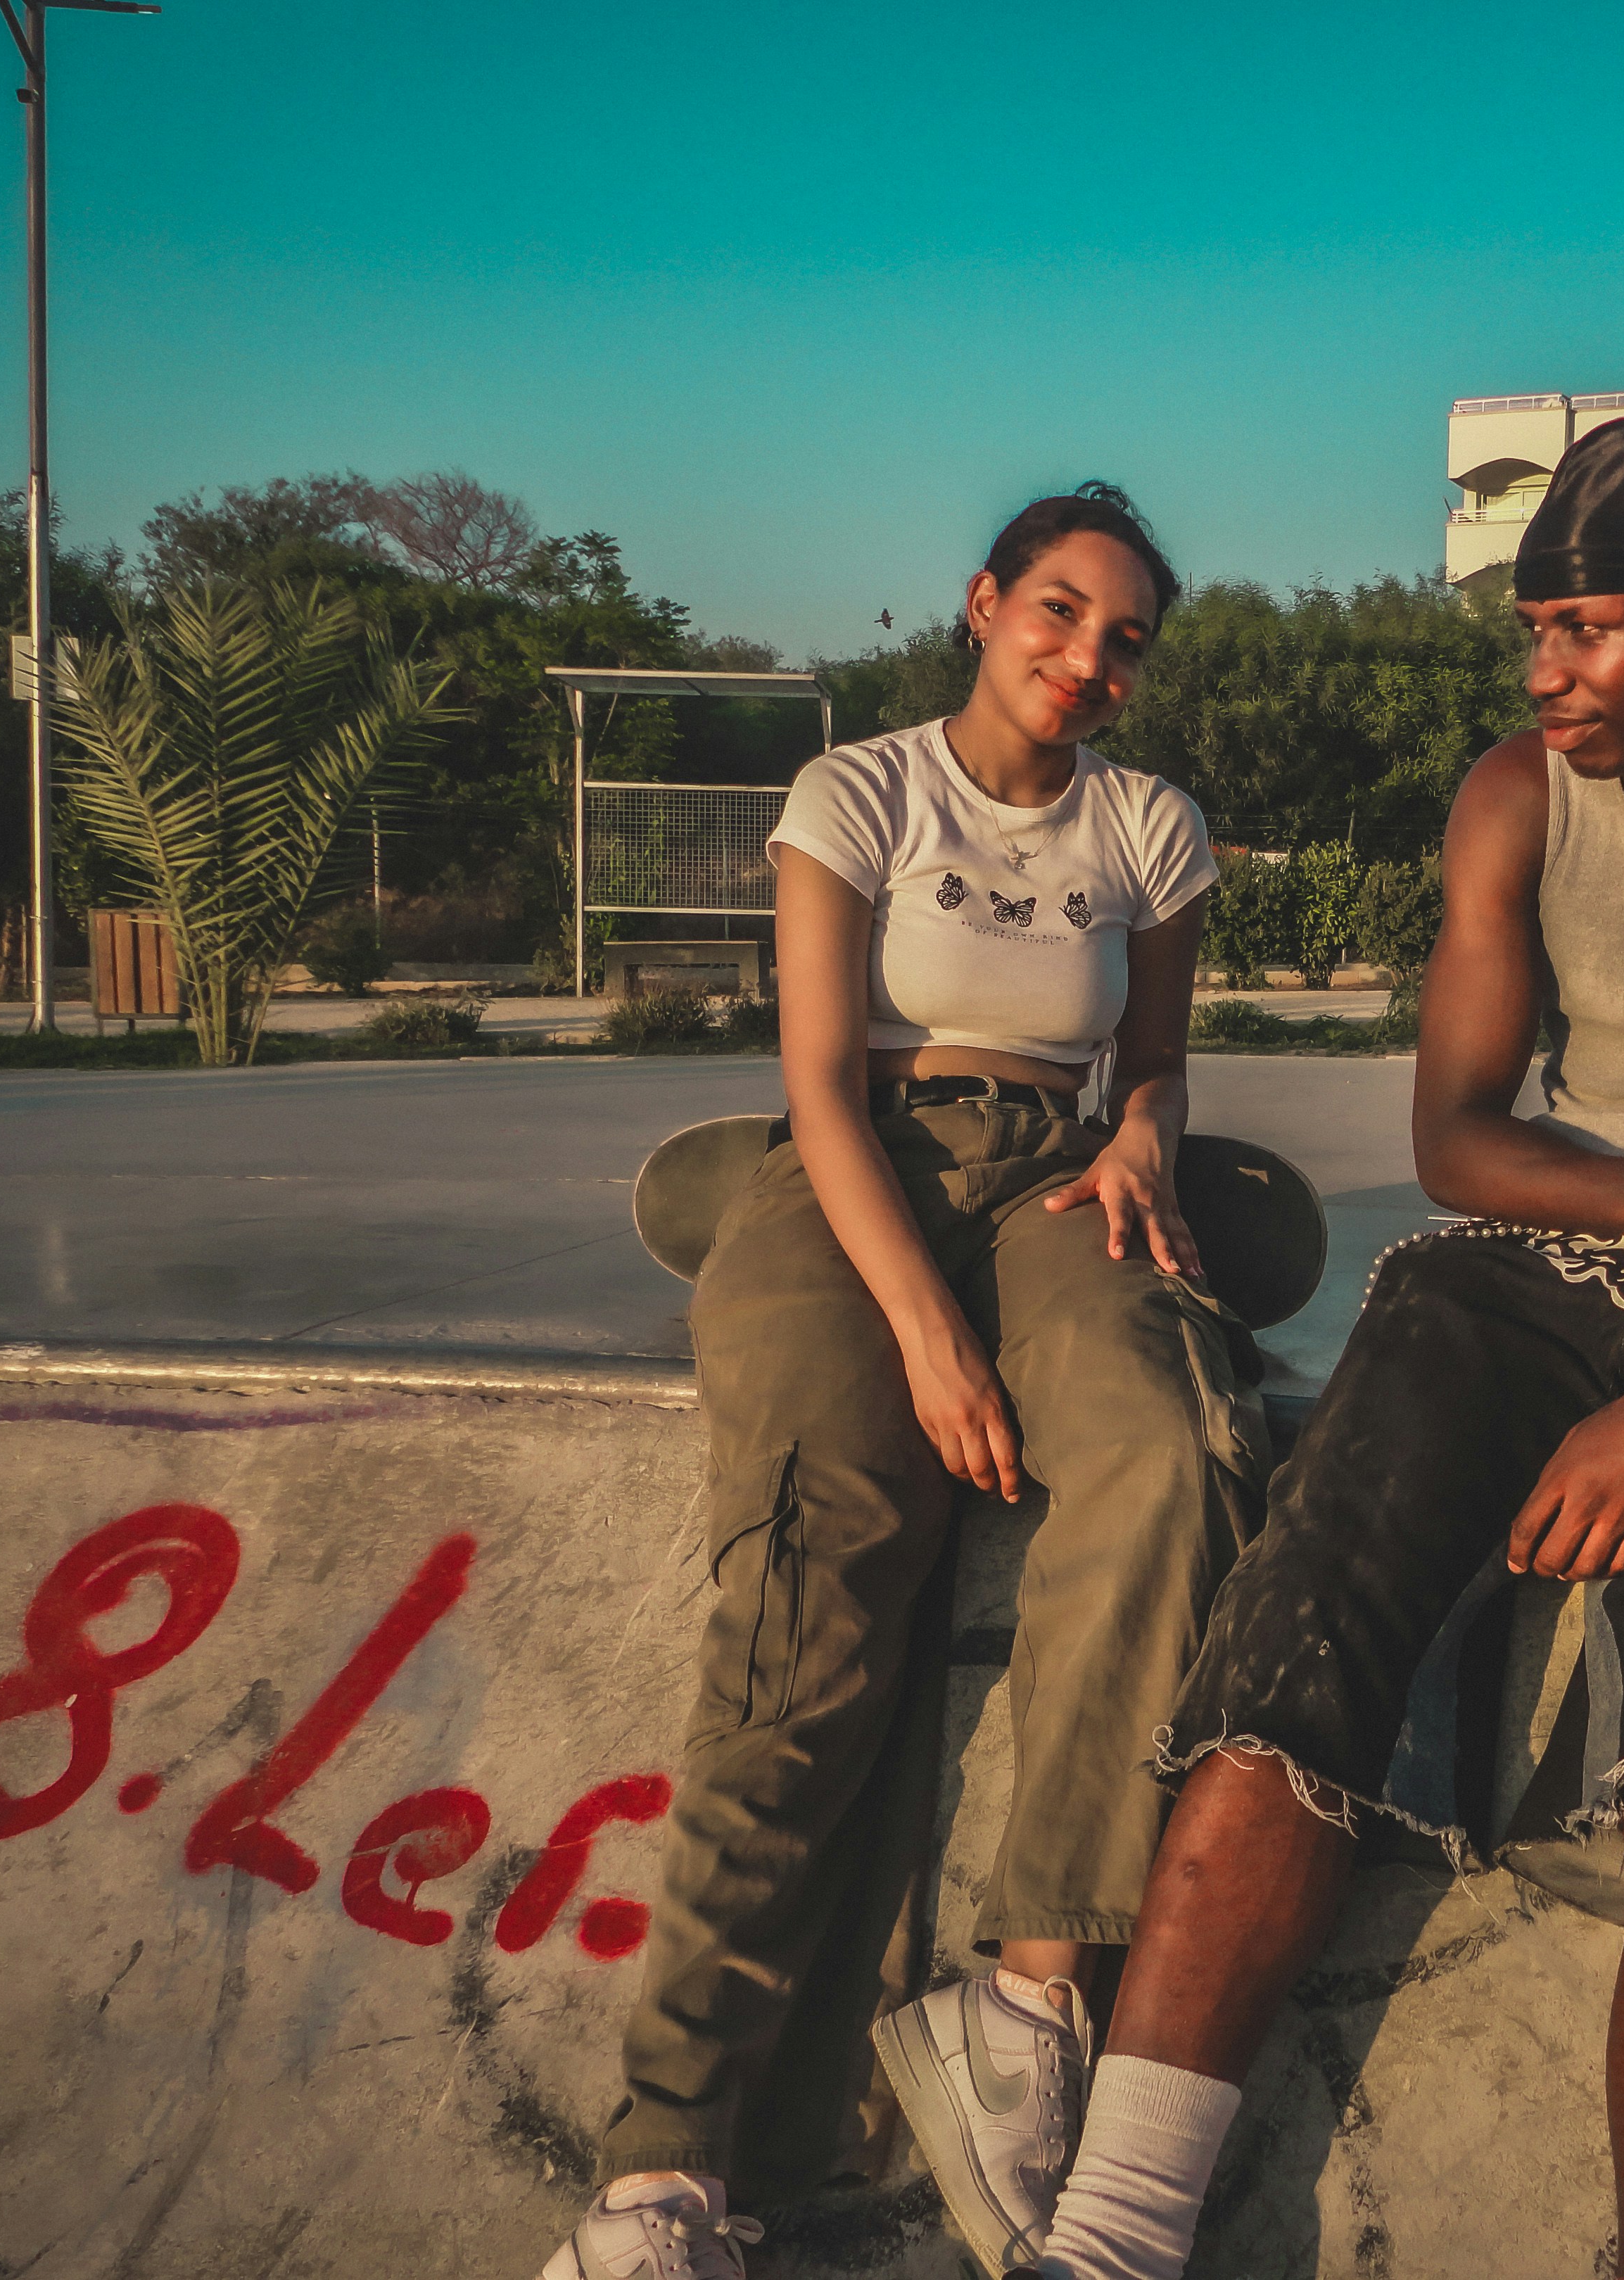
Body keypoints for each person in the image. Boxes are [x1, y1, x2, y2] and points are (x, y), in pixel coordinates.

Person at [1019, 419, 1624, 2280]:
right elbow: (1460, 1136)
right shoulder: (1513, 795)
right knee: (1290, 1662)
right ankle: (1117, 2237)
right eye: (1533, 630)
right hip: (1533, 1256)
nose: (1545, 673)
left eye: (1590, 631)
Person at [544, 484, 1268, 2280]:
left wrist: (1150, 1146)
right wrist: (931, 1343)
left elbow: (1158, 1063)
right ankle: (664, 2179)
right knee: (811, 1592)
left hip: (1063, 1175)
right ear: (983, 602)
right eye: (1059, 611)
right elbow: (815, 1076)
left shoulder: (1150, 825)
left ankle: (1025, 2007)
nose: (1088, 658)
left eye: (1126, 639)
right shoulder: (859, 791)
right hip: (856, 1167)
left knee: (1173, 1453)